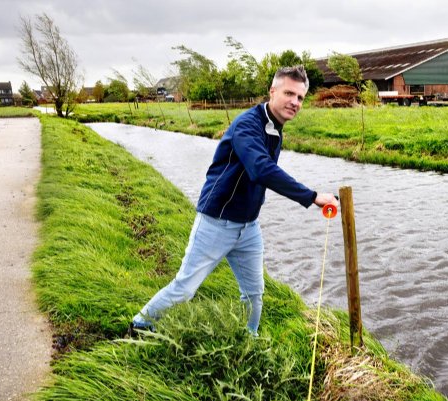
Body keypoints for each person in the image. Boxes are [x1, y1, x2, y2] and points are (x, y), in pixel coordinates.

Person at [130, 65, 338, 335]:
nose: (294, 102)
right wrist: (311, 197)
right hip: (216, 222)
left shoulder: (275, 128)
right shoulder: (247, 124)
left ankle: (247, 340)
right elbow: (261, 169)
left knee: (254, 294)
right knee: (184, 288)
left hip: (248, 228)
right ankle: (139, 324)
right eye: (289, 93)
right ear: (272, 91)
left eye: (300, 97)